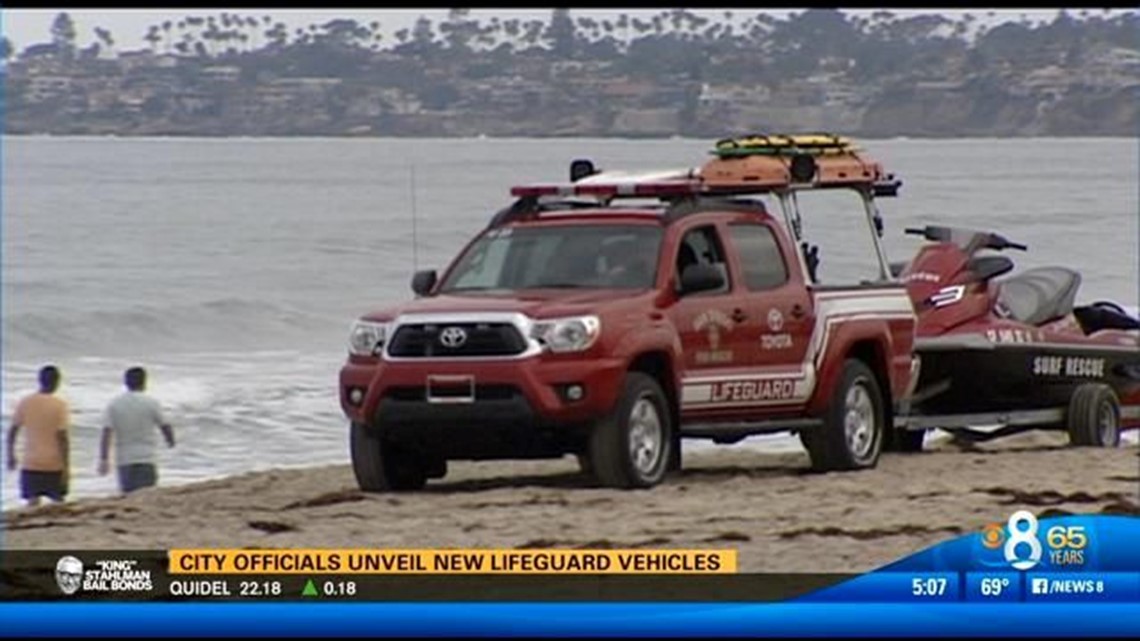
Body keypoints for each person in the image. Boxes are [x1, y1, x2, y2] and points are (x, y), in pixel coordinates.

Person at [99, 366, 175, 495]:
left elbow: (107, 432)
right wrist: (170, 440)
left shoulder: (115, 404)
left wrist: (104, 459)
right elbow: (164, 425)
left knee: (128, 494)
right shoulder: (151, 402)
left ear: (126, 382)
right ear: (144, 382)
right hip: (147, 457)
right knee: (147, 494)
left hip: (124, 458)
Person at [6, 365, 71, 507]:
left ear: (39, 380)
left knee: (32, 502)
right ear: (57, 382)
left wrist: (11, 455)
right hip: (54, 464)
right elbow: (62, 438)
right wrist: (66, 467)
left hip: (31, 462)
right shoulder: (59, 405)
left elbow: (12, 431)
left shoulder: (25, 402)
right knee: (58, 502)